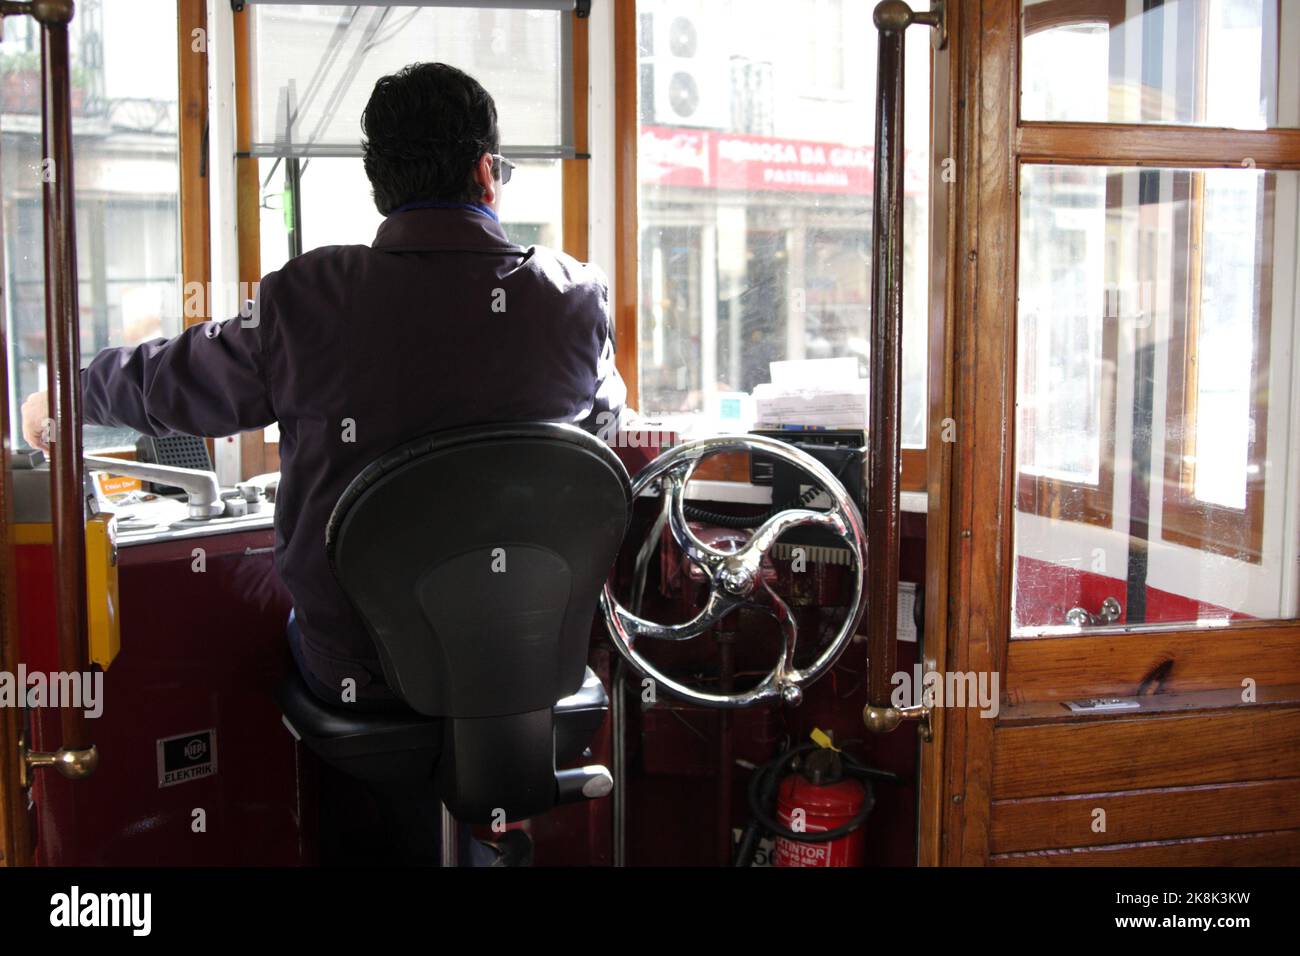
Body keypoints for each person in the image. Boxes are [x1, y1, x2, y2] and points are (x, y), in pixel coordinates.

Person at [21, 62, 625, 866]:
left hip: (363, 673)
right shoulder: (575, 295)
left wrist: (64, 394)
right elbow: (598, 440)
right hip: (533, 656)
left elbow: (169, 382)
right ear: (487, 172)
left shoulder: (309, 297)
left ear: (379, 183)